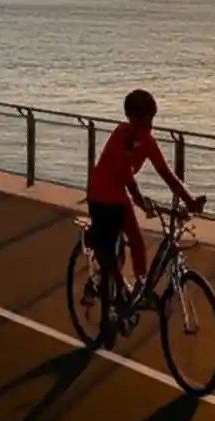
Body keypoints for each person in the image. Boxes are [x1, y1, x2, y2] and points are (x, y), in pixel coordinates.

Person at [86, 89, 205, 331]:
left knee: (137, 241)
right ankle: (114, 296)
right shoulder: (121, 134)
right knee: (109, 254)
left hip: (119, 196)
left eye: (151, 120)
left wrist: (190, 201)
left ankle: (139, 286)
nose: (149, 126)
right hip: (101, 194)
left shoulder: (148, 142)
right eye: (144, 121)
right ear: (132, 118)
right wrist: (139, 199)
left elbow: (167, 175)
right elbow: (123, 172)